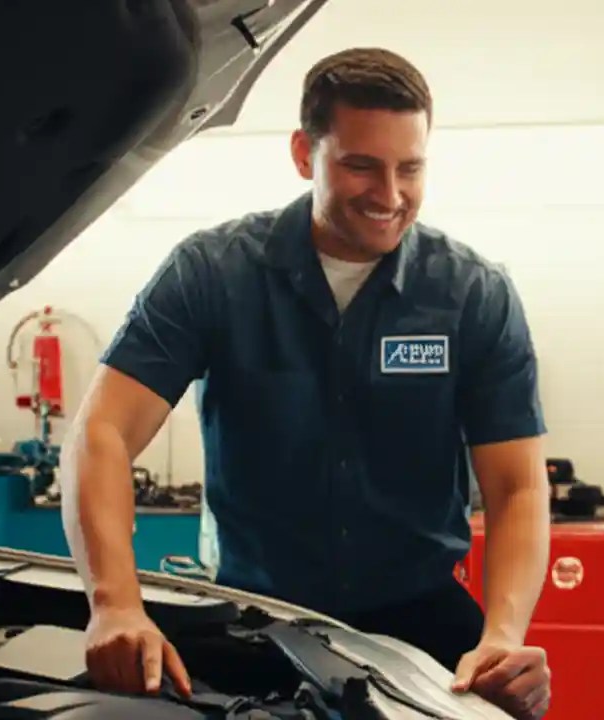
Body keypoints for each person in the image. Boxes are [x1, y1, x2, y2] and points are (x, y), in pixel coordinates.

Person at [59, 47, 553, 719]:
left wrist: (502, 637)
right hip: (257, 622)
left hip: (423, 625)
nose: (390, 195)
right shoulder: (212, 274)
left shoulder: (473, 294)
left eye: (410, 168)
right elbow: (102, 432)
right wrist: (115, 603)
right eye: (361, 166)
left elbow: (518, 486)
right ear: (303, 154)